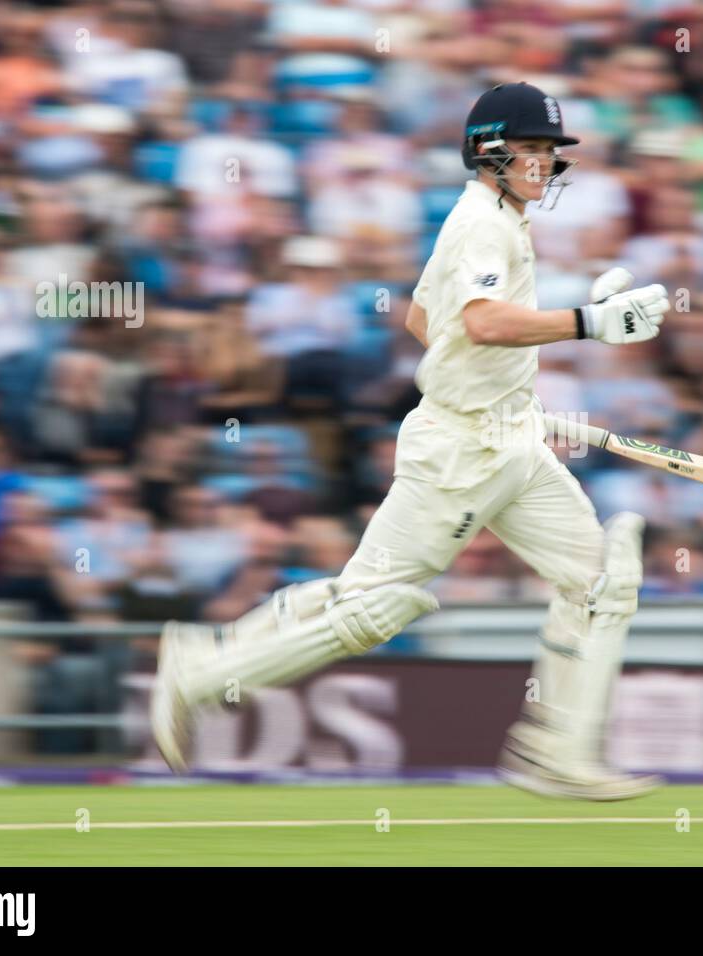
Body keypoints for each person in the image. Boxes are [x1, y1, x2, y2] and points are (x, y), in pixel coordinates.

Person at [151, 82, 671, 800]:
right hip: (460, 455)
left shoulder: (499, 221)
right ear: (488, 153)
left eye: (550, 152)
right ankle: (200, 671)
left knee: (603, 584)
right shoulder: (480, 224)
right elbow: (485, 322)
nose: (544, 165)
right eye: (531, 150)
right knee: (370, 610)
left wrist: (502, 390)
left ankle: (558, 749)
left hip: (507, 439)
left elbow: (428, 321)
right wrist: (591, 323)